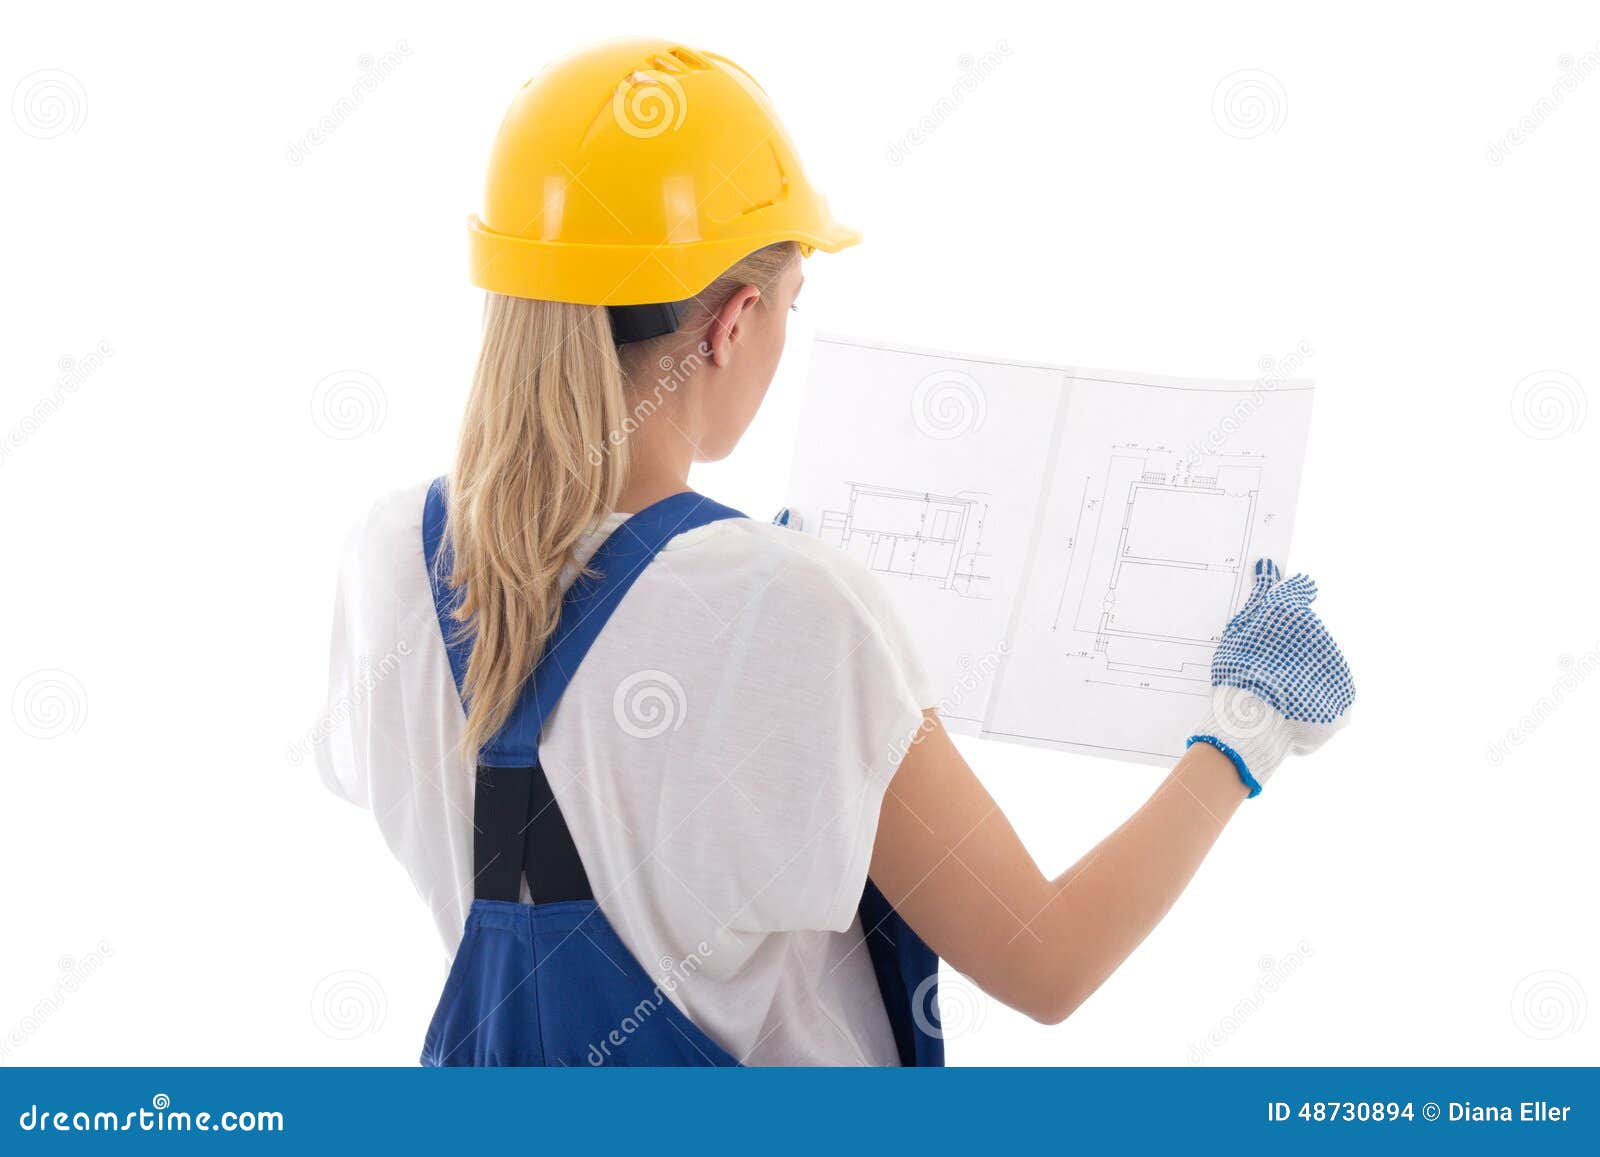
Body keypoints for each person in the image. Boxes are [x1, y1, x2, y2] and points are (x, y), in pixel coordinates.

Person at [316, 38, 1354, 1067]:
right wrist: (1242, 730)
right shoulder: (794, 609)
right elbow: (1048, 959)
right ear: (733, 322)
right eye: (790, 310)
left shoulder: (385, 555)